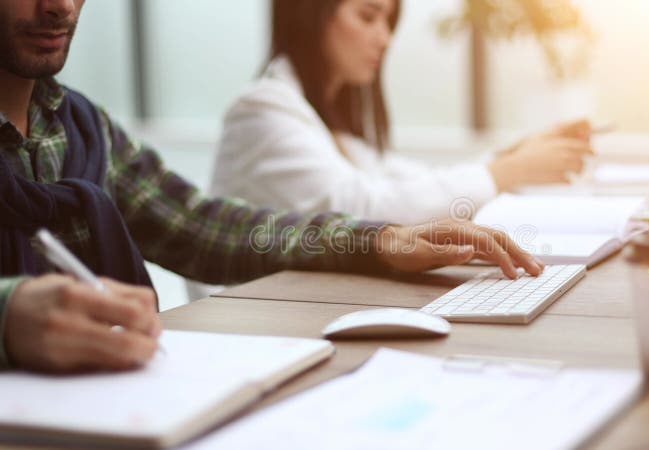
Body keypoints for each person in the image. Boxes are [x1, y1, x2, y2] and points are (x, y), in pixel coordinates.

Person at [0, 0, 543, 373]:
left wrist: (377, 241)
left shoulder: (81, 127)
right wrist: (9, 313)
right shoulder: (268, 107)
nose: (60, 5)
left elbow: (205, 225)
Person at [210, 0, 594, 226]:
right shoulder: (261, 111)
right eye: (367, 16)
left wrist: (513, 156)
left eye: (389, 22)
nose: (385, 38)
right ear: (312, 14)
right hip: (255, 325)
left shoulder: (329, 123)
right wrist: (511, 170)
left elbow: (412, 185)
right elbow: (364, 211)